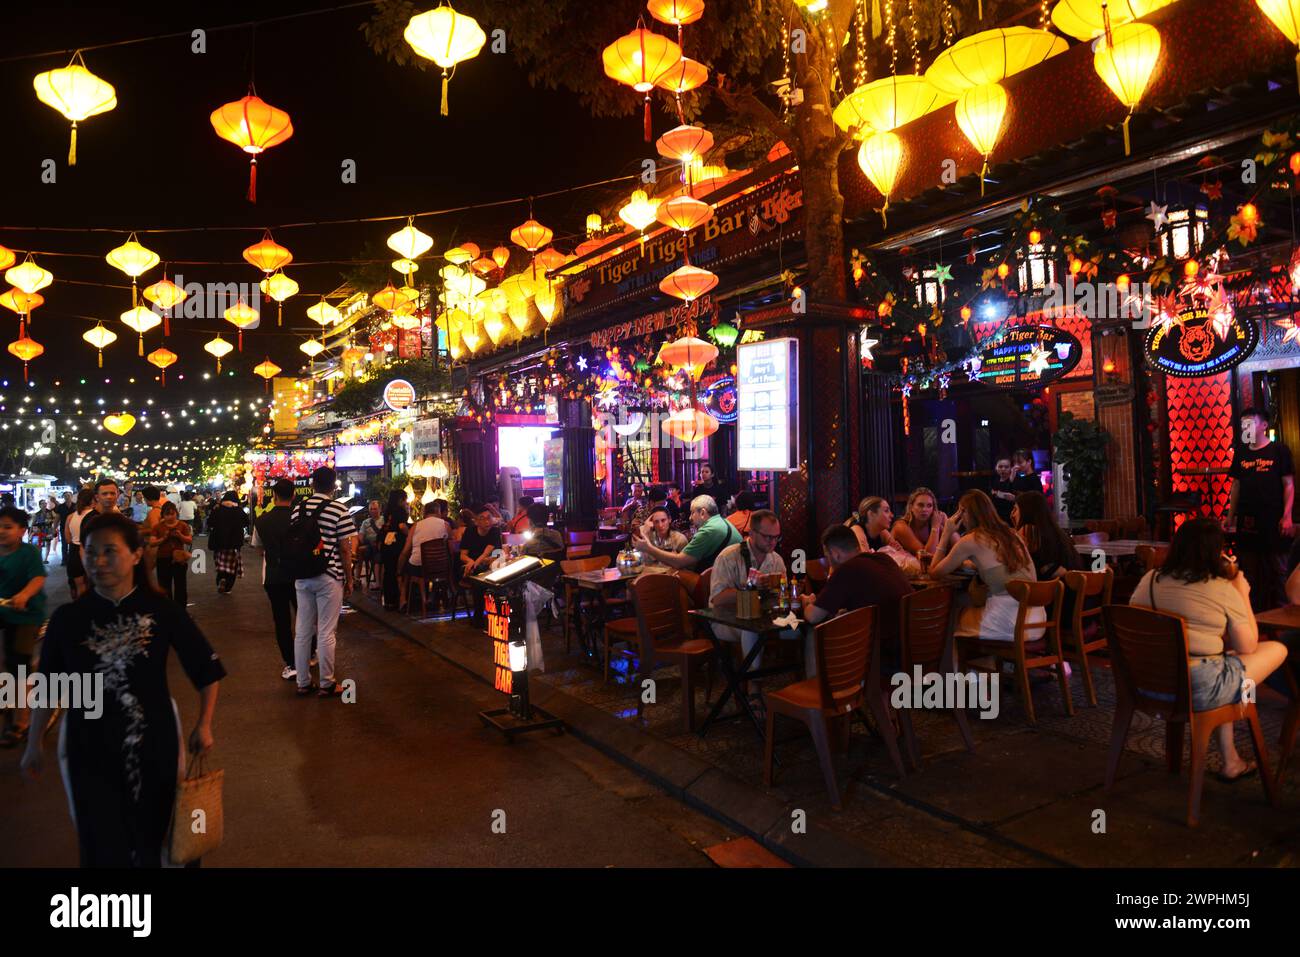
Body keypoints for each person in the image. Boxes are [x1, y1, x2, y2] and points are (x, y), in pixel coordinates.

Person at [21, 512, 224, 867]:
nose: (98, 562)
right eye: (90, 552)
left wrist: (204, 724)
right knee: (99, 836)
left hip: (153, 740)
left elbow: (206, 670)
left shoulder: (162, 610)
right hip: (87, 743)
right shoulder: (68, 620)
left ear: (135, 554)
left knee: (157, 832)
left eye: (109, 551)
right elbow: (49, 687)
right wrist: (34, 742)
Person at [1130, 517, 1288, 781]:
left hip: (1147, 684)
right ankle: (1240, 708)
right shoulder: (1221, 588)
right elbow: (1248, 645)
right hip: (1198, 690)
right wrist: (1242, 593)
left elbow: (1135, 618)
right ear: (1216, 553)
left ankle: (1231, 761)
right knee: (1276, 649)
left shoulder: (1149, 580)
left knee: (1223, 660)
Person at [931, 489, 1044, 641]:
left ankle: (954, 665)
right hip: (1037, 621)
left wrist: (946, 534)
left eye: (960, 512)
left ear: (967, 513)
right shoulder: (1012, 534)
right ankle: (991, 663)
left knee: (954, 616)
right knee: (972, 605)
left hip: (1011, 622)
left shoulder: (971, 540)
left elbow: (934, 573)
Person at [708, 510, 809, 672]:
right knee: (752, 629)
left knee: (804, 628)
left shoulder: (776, 560)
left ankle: (810, 682)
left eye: (776, 537)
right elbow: (718, 600)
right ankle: (753, 686)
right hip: (726, 619)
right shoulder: (728, 557)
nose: (772, 542)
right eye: (767, 537)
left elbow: (781, 598)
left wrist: (787, 592)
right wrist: (751, 586)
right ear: (752, 533)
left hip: (765, 619)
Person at [802, 524, 913, 670]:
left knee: (814, 630)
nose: (828, 560)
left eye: (827, 555)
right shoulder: (883, 559)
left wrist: (807, 603)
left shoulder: (846, 570)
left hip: (884, 656)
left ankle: (818, 687)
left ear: (835, 554)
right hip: (914, 645)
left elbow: (812, 617)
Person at [293, 467, 357, 698]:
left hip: (302, 576)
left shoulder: (298, 509)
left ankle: (302, 681)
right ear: (333, 485)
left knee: (302, 630)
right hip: (329, 576)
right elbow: (345, 548)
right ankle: (327, 683)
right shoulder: (338, 509)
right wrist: (350, 578)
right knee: (326, 631)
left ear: (312, 484)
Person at [1227, 406, 1295, 611]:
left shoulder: (1279, 450)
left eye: (1250, 422)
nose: (1245, 426)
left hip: (1273, 518)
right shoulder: (1241, 452)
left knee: (1279, 570)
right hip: (1247, 520)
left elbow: (1288, 484)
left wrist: (1287, 516)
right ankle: (1253, 615)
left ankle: (1286, 617)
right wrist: (1230, 517)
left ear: (1264, 425)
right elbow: (1236, 486)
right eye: (1243, 423)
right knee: (1248, 572)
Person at [0, 507, 47, 749]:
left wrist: (24, 595)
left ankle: (22, 721)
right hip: (2, 611)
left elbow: (38, 578)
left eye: (8, 526)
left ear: (21, 530)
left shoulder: (28, 553)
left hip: (26, 614)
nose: (2, 531)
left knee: (19, 665)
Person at [253, 479, 301, 680]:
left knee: (281, 620)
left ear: (274, 496)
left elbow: (258, 547)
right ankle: (310, 654)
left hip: (274, 576)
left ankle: (291, 663)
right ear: (294, 496)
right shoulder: (299, 519)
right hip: (300, 575)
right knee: (305, 617)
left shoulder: (262, 520)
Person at [633, 495, 740, 572]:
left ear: (702, 513)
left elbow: (679, 562)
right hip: (735, 574)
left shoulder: (708, 530)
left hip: (724, 582)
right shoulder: (722, 521)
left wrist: (648, 548)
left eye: (692, 513)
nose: (690, 518)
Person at [1012, 491, 1080, 582]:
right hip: (1069, 591)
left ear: (1026, 511)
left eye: (1016, 509)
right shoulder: (1056, 532)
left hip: (1047, 593)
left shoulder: (1028, 531)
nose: (1012, 514)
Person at [398, 500, 451, 597]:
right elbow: (450, 547)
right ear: (438, 512)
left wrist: (398, 571)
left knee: (405, 568)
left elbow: (405, 551)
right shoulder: (446, 525)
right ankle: (439, 596)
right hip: (440, 567)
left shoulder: (415, 526)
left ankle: (405, 598)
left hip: (419, 568)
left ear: (424, 513)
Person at [149, 501, 193, 608]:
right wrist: (164, 538)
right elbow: (152, 543)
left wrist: (180, 535)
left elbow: (189, 540)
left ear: (176, 513)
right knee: (164, 585)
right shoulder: (158, 527)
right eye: (167, 514)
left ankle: (181, 608)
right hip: (163, 559)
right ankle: (167, 608)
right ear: (163, 515)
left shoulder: (182, 525)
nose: (170, 517)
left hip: (179, 559)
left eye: (172, 514)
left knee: (180, 585)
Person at [207, 491, 249, 594]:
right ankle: (228, 587)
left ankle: (221, 579)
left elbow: (210, 522)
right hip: (234, 543)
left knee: (220, 563)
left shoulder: (218, 509)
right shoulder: (238, 510)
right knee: (232, 566)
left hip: (219, 542)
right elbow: (247, 522)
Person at [891, 487, 949, 558]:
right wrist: (935, 528)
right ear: (911, 507)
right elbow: (927, 557)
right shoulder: (901, 527)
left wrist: (947, 523)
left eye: (929, 506)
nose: (925, 509)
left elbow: (958, 545)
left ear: (933, 509)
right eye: (920, 505)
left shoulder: (933, 523)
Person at [379, 490, 411, 610]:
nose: (406, 502)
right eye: (405, 499)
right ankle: (399, 599)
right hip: (397, 543)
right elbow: (402, 526)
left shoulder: (388, 511)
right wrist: (409, 535)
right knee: (397, 571)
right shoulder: (400, 511)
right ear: (400, 499)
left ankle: (388, 601)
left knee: (388, 571)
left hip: (386, 542)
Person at [459, 506, 502, 577]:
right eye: (482, 518)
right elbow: (462, 555)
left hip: (488, 565)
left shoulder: (495, 531)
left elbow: (496, 552)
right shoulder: (469, 532)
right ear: (476, 522)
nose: (487, 521)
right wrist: (471, 562)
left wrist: (491, 559)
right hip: (473, 566)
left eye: (489, 517)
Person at [356, 500, 383, 584]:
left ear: (380, 509)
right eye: (371, 509)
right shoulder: (365, 522)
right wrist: (363, 541)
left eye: (375, 509)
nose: (373, 511)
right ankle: (357, 578)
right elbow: (360, 535)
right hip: (369, 545)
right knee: (359, 550)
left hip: (381, 544)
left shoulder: (384, 520)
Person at [989, 457, 1017, 524]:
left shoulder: (1015, 481)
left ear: (1011, 468)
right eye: (1000, 467)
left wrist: (1011, 481)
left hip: (1010, 517)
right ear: (996, 468)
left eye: (1006, 467)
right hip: (996, 516)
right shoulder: (994, 481)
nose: (1003, 469)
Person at [54, 491, 75, 566]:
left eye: (68, 495)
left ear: (71, 496)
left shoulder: (76, 506)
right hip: (63, 528)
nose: (67, 497)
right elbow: (57, 518)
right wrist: (54, 528)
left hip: (74, 528)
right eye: (65, 496)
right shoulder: (61, 507)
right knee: (64, 544)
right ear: (63, 497)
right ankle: (64, 560)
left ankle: (72, 559)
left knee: (74, 543)